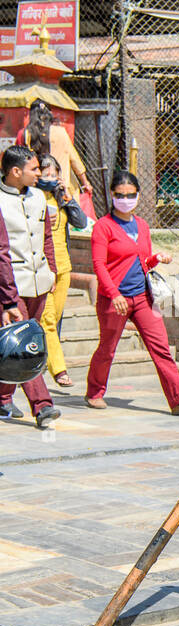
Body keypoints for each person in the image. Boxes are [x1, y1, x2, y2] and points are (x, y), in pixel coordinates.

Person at [87, 171, 179, 415]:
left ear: (138, 195)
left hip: (142, 297)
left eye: (130, 195)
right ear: (112, 196)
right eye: (120, 195)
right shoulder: (103, 227)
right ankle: (95, 391)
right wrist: (113, 294)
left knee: (161, 347)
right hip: (114, 299)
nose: (125, 199)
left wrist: (156, 258)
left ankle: (178, 399)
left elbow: (142, 262)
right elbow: (99, 265)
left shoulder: (142, 226)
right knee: (108, 348)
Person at [0, 145, 60, 428]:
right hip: (12, 284)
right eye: (34, 169)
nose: (39, 173)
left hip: (39, 281)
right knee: (27, 346)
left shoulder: (38, 197)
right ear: (15, 172)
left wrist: (53, 271)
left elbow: (47, 236)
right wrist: (8, 297)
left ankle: (2, 398)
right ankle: (43, 406)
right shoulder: (1, 200)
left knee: (14, 347)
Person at [37, 154, 87, 389]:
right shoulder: (32, 197)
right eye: (45, 174)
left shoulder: (60, 196)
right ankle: (59, 369)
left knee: (54, 320)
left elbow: (81, 222)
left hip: (63, 266)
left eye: (53, 174)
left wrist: (66, 195)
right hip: (42, 268)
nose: (50, 178)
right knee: (47, 320)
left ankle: (36, 362)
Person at [21, 100, 93, 206]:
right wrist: (85, 182)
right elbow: (74, 159)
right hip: (62, 184)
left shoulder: (27, 134)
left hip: (38, 185)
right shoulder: (60, 132)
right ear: (49, 114)